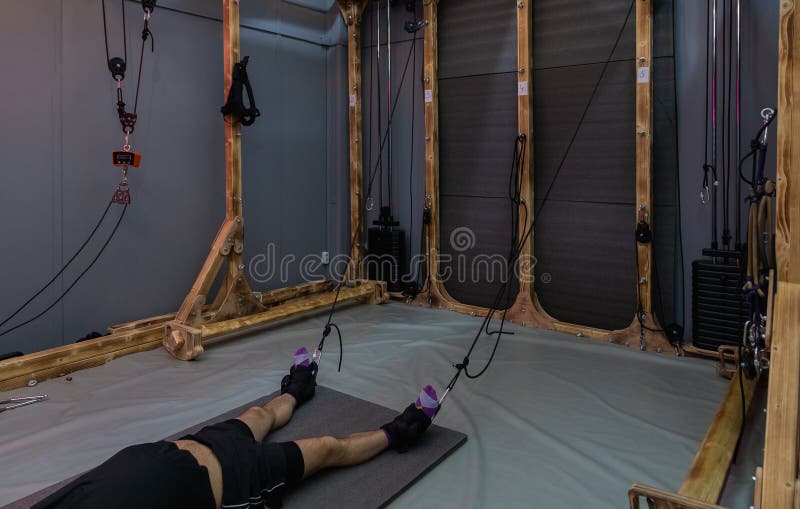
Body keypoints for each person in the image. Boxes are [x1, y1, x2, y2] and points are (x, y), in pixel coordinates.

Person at [33, 347, 440, 509]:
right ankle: (400, 432)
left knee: (260, 414)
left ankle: (297, 389)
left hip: (185, 447)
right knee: (325, 447)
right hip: (234, 478)